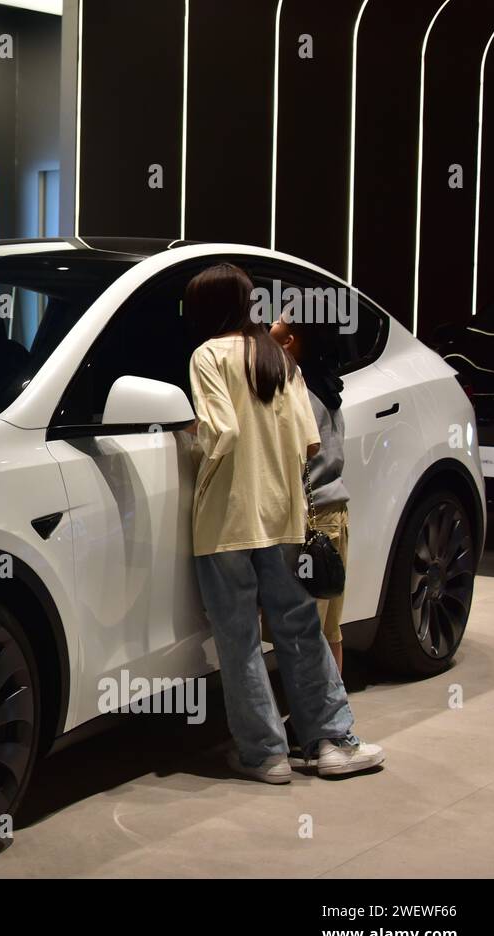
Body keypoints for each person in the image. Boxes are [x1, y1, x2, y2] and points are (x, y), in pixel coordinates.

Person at [185, 263, 383, 782]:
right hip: (284, 516)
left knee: (239, 638)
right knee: (300, 630)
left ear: (205, 310)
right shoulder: (277, 356)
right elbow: (308, 442)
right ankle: (333, 743)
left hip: (226, 519)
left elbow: (219, 433)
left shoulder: (207, 355)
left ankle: (266, 755)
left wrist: (188, 439)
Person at [270, 308, 349, 674]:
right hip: (335, 517)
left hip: (309, 519)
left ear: (290, 341)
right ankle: (336, 718)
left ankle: (314, 724)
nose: (269, 322)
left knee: (306, 631)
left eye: (278, 320)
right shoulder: (328, 383)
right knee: (329, 627)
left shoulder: (294, 384)